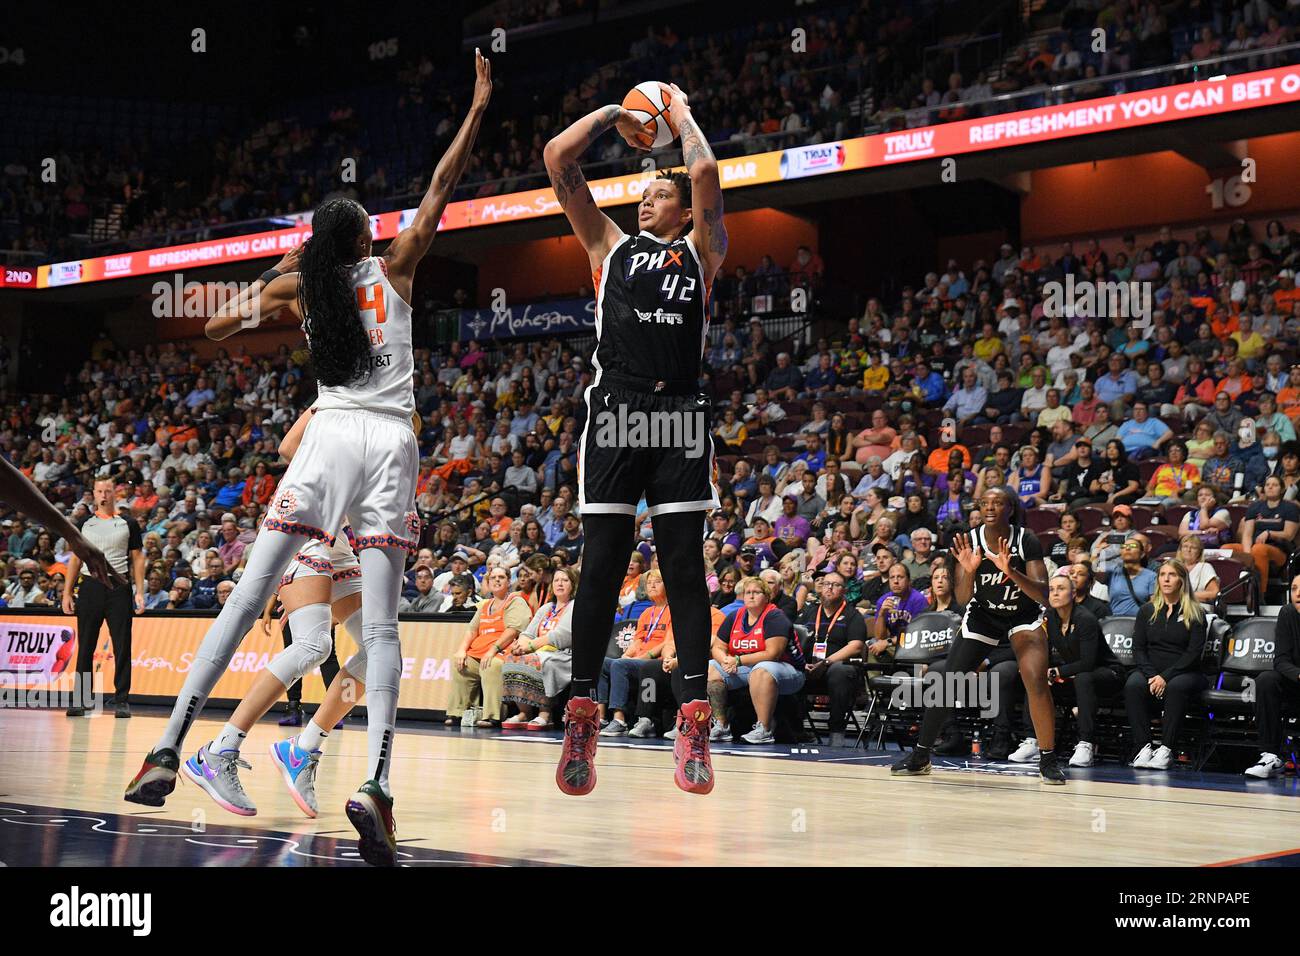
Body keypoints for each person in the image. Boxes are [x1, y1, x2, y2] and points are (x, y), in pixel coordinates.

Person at [123, 51, 493, 868]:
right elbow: (441, 185)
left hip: (327, 437)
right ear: (367, 236)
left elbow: (216, 328)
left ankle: (170, 745)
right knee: (385, 633)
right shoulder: (395, 269)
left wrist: (281, 270)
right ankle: (375, 784)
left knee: (247, 595)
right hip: (389, 443)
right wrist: (474, 110)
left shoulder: (302, 289)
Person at [544, 80, 727, 796]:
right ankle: (583, 713)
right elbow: (559, 159)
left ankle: (693, 718)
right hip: (616, 410)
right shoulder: (608, 245)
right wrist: (613, 116)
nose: (643, 198)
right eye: (643, 191)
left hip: (680, 412)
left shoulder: (704, 251)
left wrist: (676, 111)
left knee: (683, 566)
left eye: (657, 191)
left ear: (681, 208)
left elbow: (706, 172)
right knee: (602, 563)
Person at [891, 486, 1066, 784]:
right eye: (985, 502)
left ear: (1009, 508)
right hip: (984, 615)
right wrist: (969, 571)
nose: (990, 507)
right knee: (947, 680)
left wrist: (1011, 571)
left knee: (1035, 678)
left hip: (1022, 614)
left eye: (998, 503)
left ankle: (1047, 758)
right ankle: (921, 755)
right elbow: (961, 598)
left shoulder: (1026, 539)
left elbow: (1044, 595)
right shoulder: (966, 540)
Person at [63, 477, 145, 718]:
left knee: (122, 645)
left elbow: (138, 558)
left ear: (114, 494)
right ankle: (80, 699)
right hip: (90, 586)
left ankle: (121, 700)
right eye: (99, 491)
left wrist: (139, 591)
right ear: (94, 494)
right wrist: (67, 592)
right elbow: (76, 559)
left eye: (108, 491)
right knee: (86, 645)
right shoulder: (83, 522)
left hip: (118, 586)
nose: (104, 495)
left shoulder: (128, 522)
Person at [1124, 560, 1208, 770]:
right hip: (1151, 671)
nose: (1166, 579)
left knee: (1177, 686)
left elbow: (1193, 653)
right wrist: (1153, 675)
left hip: (1186, 671)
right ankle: (1143, 746)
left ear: (1182, 580)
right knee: (1133, 684)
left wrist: (1165, 677)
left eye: (1172, 575)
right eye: (1162, 575)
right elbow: (1138, 649)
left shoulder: (1196, 613)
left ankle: (1166, 749)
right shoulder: (1147, 611)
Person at [1043, 570, 1127, 768]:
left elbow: (1088, 663)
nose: (1055, 593)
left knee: (1083, 677)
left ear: (1073, 594)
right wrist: (1043, 671)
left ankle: (1085, 744)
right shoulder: (1049, 617)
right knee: (1037, 681)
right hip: (1075, 673)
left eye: (1061, 589)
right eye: (1051, 589)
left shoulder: (1085, 618)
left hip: (1108, 673)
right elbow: (1045, 652)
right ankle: (1035, 741)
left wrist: (1056, 672)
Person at [707, 575, 805, 744]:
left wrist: (737, 661)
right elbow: (717, 647)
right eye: (748, 592)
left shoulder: (775, 617)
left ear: (767, 597)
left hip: (789, 671)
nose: (751, 596)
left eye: (756, 592)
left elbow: (772, 653)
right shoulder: (735, 616)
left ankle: (764, 729)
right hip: (748, 667)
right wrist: (725, 661)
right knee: (711, 667)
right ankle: (721, 726)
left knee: (762, 669)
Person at [499, 567, 579, 731]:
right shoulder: (546, 608)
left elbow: (560, 636)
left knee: (538, 661)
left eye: (565, 580)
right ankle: (524, 712)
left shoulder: (574, 606)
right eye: (556, 580)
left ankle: (545, 713)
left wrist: (529, 647)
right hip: (538, 651)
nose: (560, 584)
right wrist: (519, 646)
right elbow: (528, 633)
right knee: (511, 659)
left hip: (562, 655)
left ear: (573, 584)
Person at [598, 569, 673, 736]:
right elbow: (638, 640)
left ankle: (619, 720)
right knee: (603, 663)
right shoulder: (647, 613)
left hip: (656, 661)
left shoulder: (673, 611)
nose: (652, 585)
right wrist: (627, 654)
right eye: (649, 583)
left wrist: (643, 657)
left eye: (657, 582)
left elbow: (668, 643)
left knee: (620, 665)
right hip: (637, 659)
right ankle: (600, 717)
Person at [798, 571, 868, 747]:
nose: (829, 588)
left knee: (840, 671)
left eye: (836, 585)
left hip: (836, 669)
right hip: (808, 668)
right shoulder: (809, 612)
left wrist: (826, 662)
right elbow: (795, 638)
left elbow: (856, 646)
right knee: (788, 671)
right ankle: (792, 729)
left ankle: (836, 730)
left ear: (843, 590)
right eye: (826, 583)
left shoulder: (853, 615)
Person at [1244, 571, 1300, 778]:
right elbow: (1281, 661)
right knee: (1266, 680)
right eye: (1294, 589)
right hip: (1295, 683)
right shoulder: (1288, 614)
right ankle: (1271, 756)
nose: (1298, 594)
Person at [1224, 474, 1299, 595]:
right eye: (1267, 485)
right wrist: (1247, 556)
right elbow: (1247, 534)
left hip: (1280, 550)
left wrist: (1269, 533)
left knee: (1259, 549)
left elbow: (1289, 534)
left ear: (1282, 489)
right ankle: (1231, 594)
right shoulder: (1255, 507)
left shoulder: (1290, 508)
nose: (1270, 487)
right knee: (1227, 549)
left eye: (1274, 485)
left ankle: (1258, 595)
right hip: (1253, 547)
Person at [1108, 536, 1156, 616]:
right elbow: (1093, 570)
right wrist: (1099, 552)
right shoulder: (1113, 572)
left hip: (1139, 622)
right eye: (1124, 547)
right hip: (1115, 623)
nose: (1127, 549)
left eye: (1133, 546)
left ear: (1142, 554)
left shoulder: (1151, 576)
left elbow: (1154, 605)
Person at [1177, 534, 1220, 611]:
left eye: (1193, 548)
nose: (1188, 550)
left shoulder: (1205, 567)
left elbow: (1214, 593)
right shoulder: (1174, 567)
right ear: (1180, 549)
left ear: (1199, 552)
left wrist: (1186, 596)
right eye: (1185, 546)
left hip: (1198, 608)